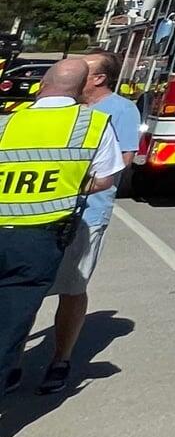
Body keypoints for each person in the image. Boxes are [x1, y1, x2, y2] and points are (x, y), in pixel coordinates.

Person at [0, 58, 121, 395]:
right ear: (81, 89)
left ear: (41, 86)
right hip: (38, 238)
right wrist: (63, 186)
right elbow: (104, 178)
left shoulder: (7, 122)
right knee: (10, 324)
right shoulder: (92, 124)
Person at [34, 51, 142, 394]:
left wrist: (69, 182)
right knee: (25, 290)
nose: (77, 73)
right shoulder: (59, 106)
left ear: (98, 79)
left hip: (86, 215)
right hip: (38, 211)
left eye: (86, 70)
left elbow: (122, 161)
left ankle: (60, 359)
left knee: (71, 287)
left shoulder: (121, 110)